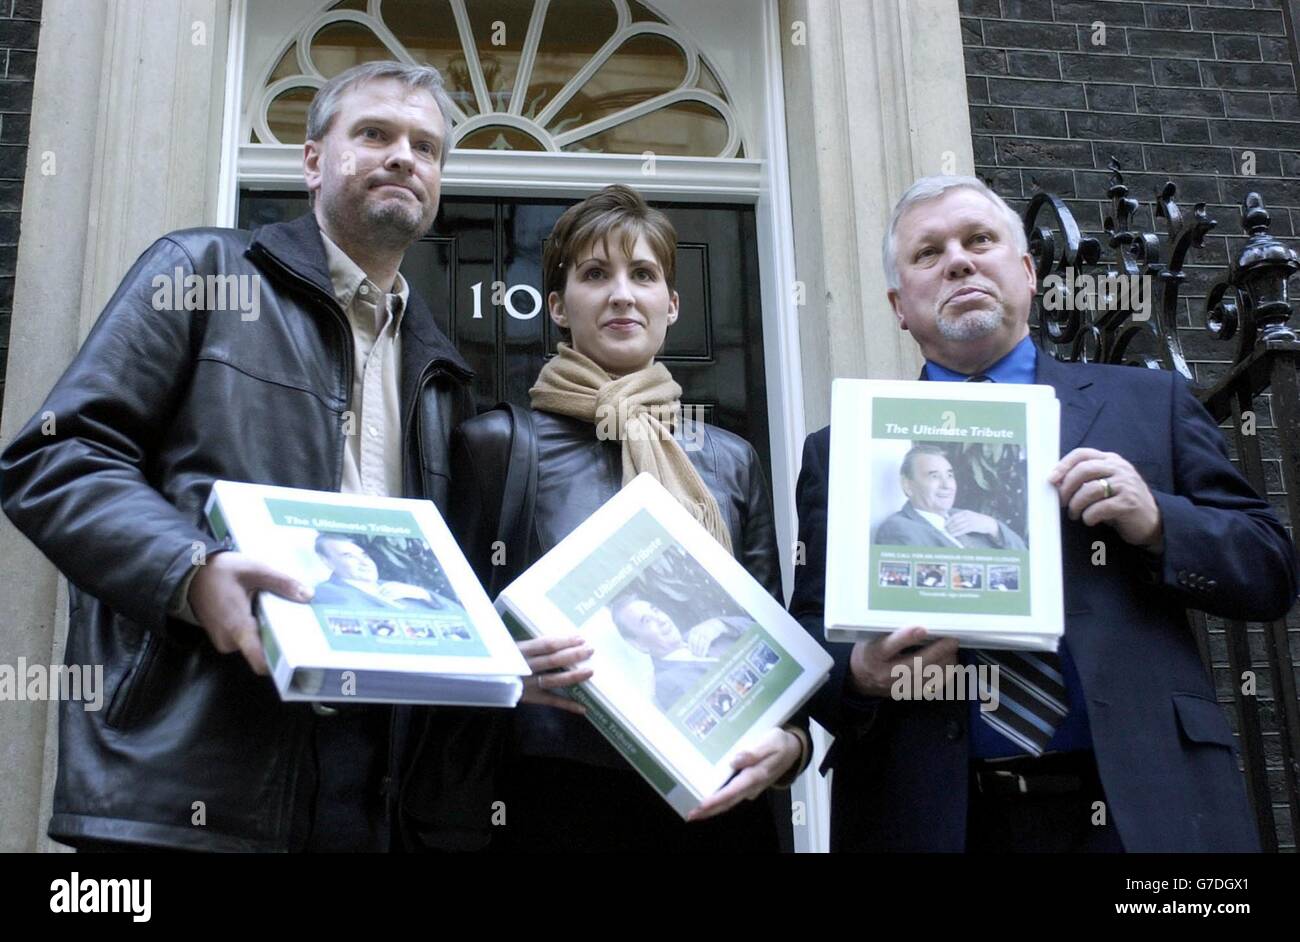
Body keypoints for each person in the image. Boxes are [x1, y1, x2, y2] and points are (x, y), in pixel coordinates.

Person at [0, 61, 476, 852]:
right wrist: (190, 569)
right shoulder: (199, 273)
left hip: (369, 774)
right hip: (194, 755)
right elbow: (57, 457)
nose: (403, 157)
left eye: (425, 147)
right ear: (314, 161)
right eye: (374, 134)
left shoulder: (441, 368)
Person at [789, 175, 1298, 852]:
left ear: (1028, 272)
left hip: (1144, 809)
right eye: (928, 254)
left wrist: (1158, 521)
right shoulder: (845, 451)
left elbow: (1271, 569)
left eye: (979, 240)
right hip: (934, 816)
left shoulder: (1149, 403)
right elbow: (806, 636)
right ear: (898, 306)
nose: (959, 261)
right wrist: (858, 673)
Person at [441, 184, 810, 852]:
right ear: (558, 306)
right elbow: (450, 635)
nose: (621, 294)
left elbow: (771, 640)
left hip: (716, 793)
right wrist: (505, 670)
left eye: (643, 275)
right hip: (555, 794)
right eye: (594, 274)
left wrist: (794, 741)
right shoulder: (496, 444)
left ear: (670, 302)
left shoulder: (727, 458)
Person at [608, 592, 749, 710]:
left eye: (655, 610)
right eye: (646, 621)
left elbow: (762, 629)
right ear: (638, 644)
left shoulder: (705, 630)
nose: (661, 620)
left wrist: (721, 625)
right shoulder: (667, 684)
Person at [875, 444, 1026, 549]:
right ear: (908, 485)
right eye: (934, 476)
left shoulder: (968, 518)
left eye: (949, 475)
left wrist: (992, 526)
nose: (947, 485)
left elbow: (1023, 560)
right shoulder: (899, 529)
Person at [312, 534, 464, 613]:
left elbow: (462, 618)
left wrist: (424, 595)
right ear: (327, 561)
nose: (365, 562)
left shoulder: (404, 589)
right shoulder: (328, 592)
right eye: (349, 556)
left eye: (364, 555)